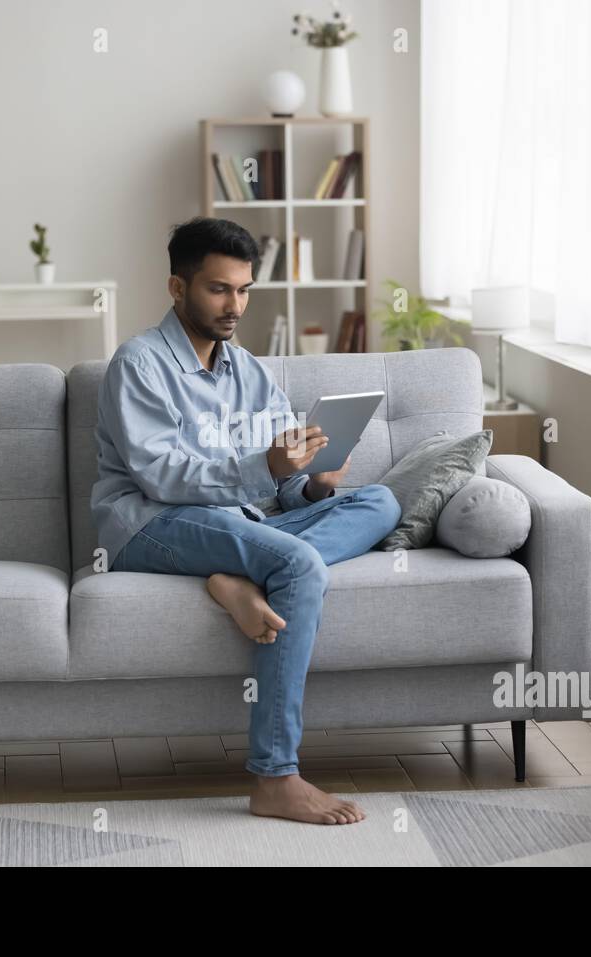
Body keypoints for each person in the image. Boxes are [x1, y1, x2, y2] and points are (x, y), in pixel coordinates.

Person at [90, 217, 402, 825]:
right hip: (150, 524)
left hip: (236, 523)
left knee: (380, 503)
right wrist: (265, 464)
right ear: (177, 288)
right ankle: (275, 777)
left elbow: (279, 484)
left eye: (244, 290)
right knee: (299, 563)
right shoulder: (139, 365)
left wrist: (309, 481)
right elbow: (162, 477)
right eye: (218, 289)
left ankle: (234, 574)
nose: (235, 305)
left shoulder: (251, 372)